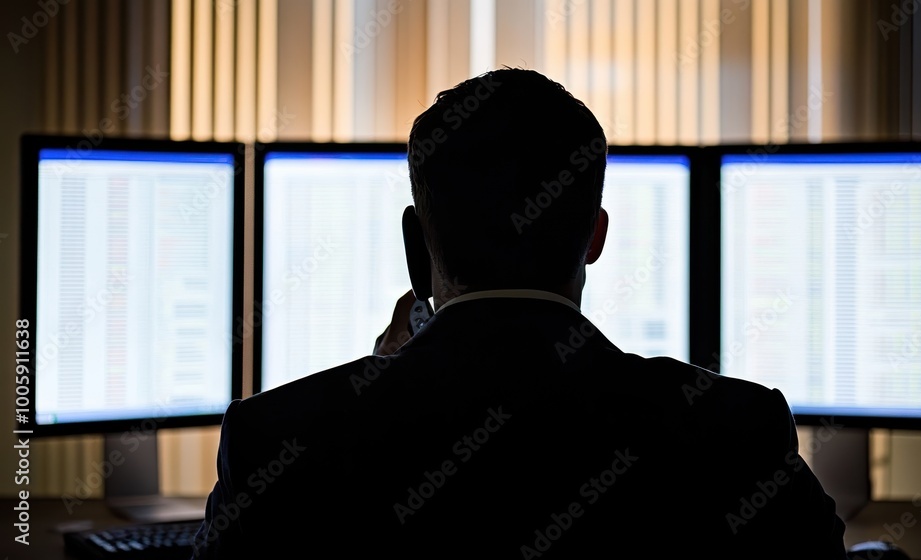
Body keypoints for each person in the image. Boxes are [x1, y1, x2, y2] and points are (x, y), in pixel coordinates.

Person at [192, 68, 848, 559]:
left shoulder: (276, 441)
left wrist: (378, 380)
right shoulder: (735, 431)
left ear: (417, 246)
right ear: (595, 236)